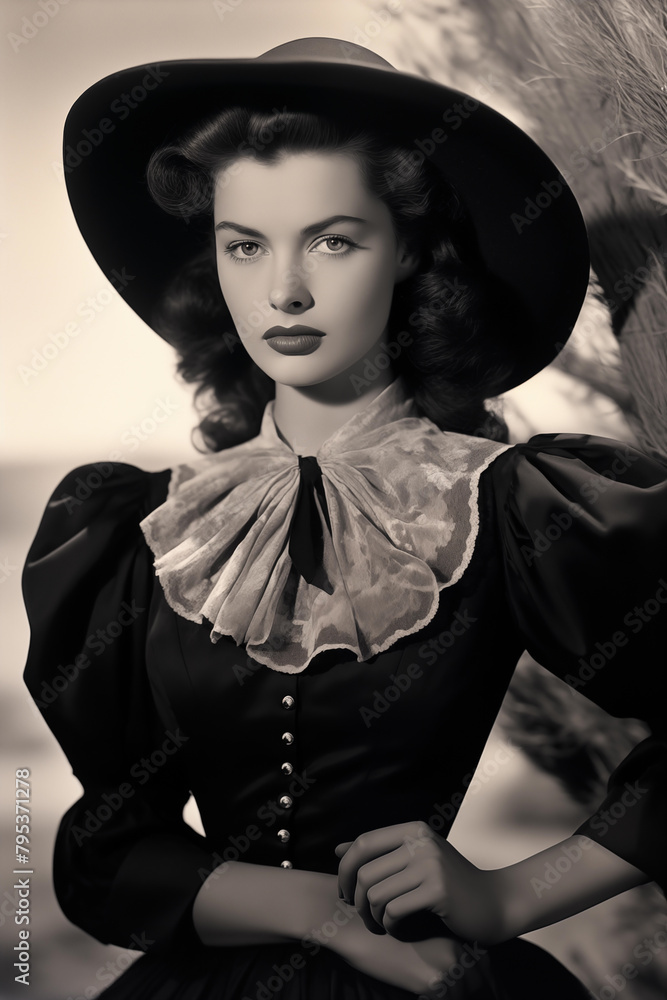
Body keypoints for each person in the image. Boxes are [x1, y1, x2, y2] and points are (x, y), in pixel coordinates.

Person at [22, 37, 666, 999]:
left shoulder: (512, 501)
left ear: (408, 248)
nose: (282, 289)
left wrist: (509, 896)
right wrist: (326, 917)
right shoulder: (134, 528)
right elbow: (107, 859)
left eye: (331, 239)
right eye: (245, 244)